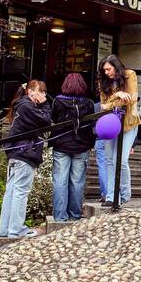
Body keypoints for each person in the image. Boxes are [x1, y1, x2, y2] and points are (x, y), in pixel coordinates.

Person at [0, 80, 50, 240]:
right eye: (41, 92)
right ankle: (16, 229)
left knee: (11, 192)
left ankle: (5, 229)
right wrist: (44, 105)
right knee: (20, 192)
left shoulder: (20, 106)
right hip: (25, 152)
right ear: (31, 92)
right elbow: (46, 121)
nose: (44, 96)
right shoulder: (28, 107)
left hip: (15, 153)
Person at [96, 54, 141, 207]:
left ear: (116, 66)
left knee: (120, 161)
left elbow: (132, 99)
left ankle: (124, 194)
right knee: (109, 160)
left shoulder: (130, 75)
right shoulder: (104, 81)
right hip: (110, 124)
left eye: (108, 69)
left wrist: (114, 101)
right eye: (104, 70)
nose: (106, 72)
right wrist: (117, 95)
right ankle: (110, 195)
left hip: (128, 124)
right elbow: (103, 105)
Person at [50, 73, 96, 222]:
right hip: (81, 145)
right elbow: (91, 126)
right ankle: (75, 215)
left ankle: (59, 216)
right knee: (77, 182)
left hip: (61, 145)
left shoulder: (58, 101)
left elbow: (54, 119)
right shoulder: (88, 103)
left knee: (60, 181)